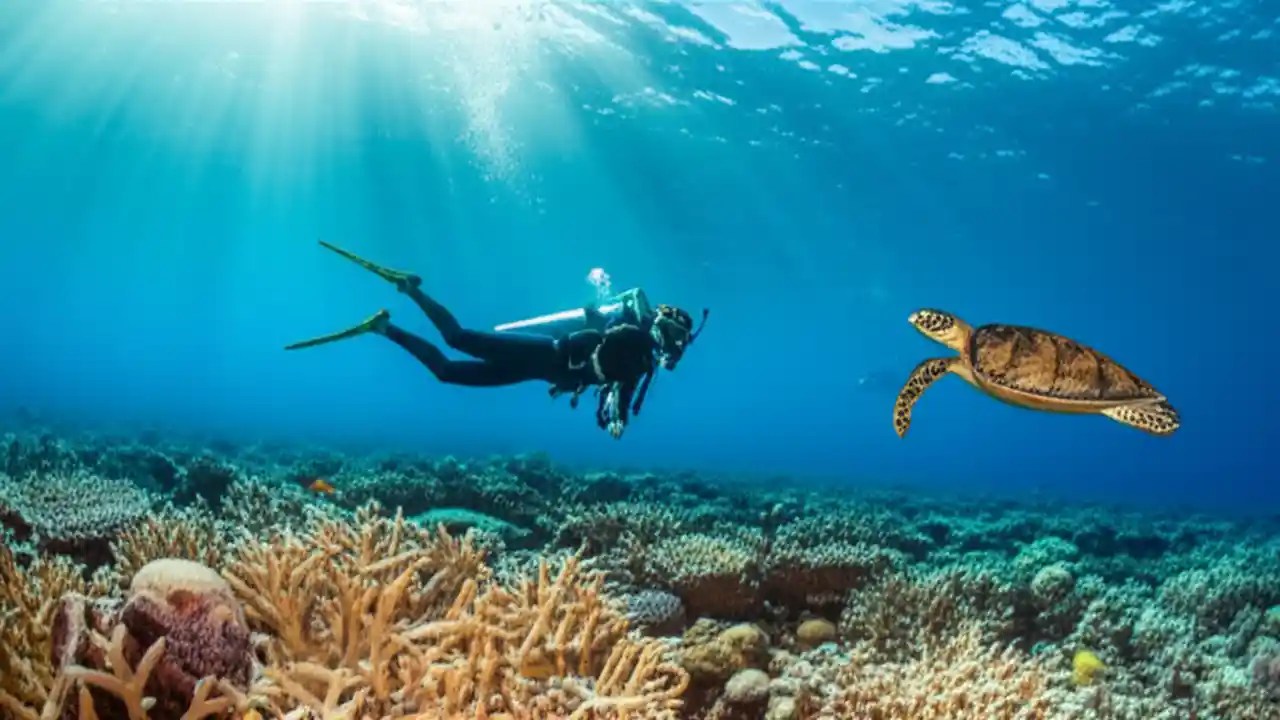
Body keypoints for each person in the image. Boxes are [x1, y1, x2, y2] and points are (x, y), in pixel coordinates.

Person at [284, 241, 708, 439]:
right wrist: (595, 380)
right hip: (544, 354)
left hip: (540, 370)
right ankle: (410, 287)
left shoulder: (643, 363)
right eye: (676, 339)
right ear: (665, 328)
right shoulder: (633, 334)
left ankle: (383, 326)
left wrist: (616, 418)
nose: (675, 349)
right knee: (459, 337)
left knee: (448, 373)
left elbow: (619, 387)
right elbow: (598, 342)